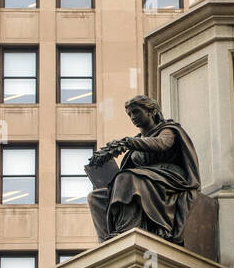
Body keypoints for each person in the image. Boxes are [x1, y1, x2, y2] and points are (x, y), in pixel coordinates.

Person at [86, 96, 200, 244]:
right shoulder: (138, 139)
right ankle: (105, 242)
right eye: (130, 114)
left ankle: (127, 229)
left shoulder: (167, 130)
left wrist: (128, 143)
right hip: (142, 179)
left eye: (136, 112)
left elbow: (162, 144)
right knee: (95, 197)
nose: (132, 117)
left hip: (169, 177)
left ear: (151, 111)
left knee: (126, 178)